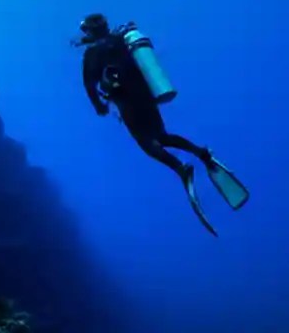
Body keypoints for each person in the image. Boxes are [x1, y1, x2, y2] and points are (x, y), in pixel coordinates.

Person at [74, 13, 248, 236]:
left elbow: (90, 86)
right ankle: (201, 153)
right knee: (163, 135)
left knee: (147, 143)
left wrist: (100, 107)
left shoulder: (91, 54)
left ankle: (180, 168)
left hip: (126, 102)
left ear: (89, 31)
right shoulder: (121, 39)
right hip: (145, 95)